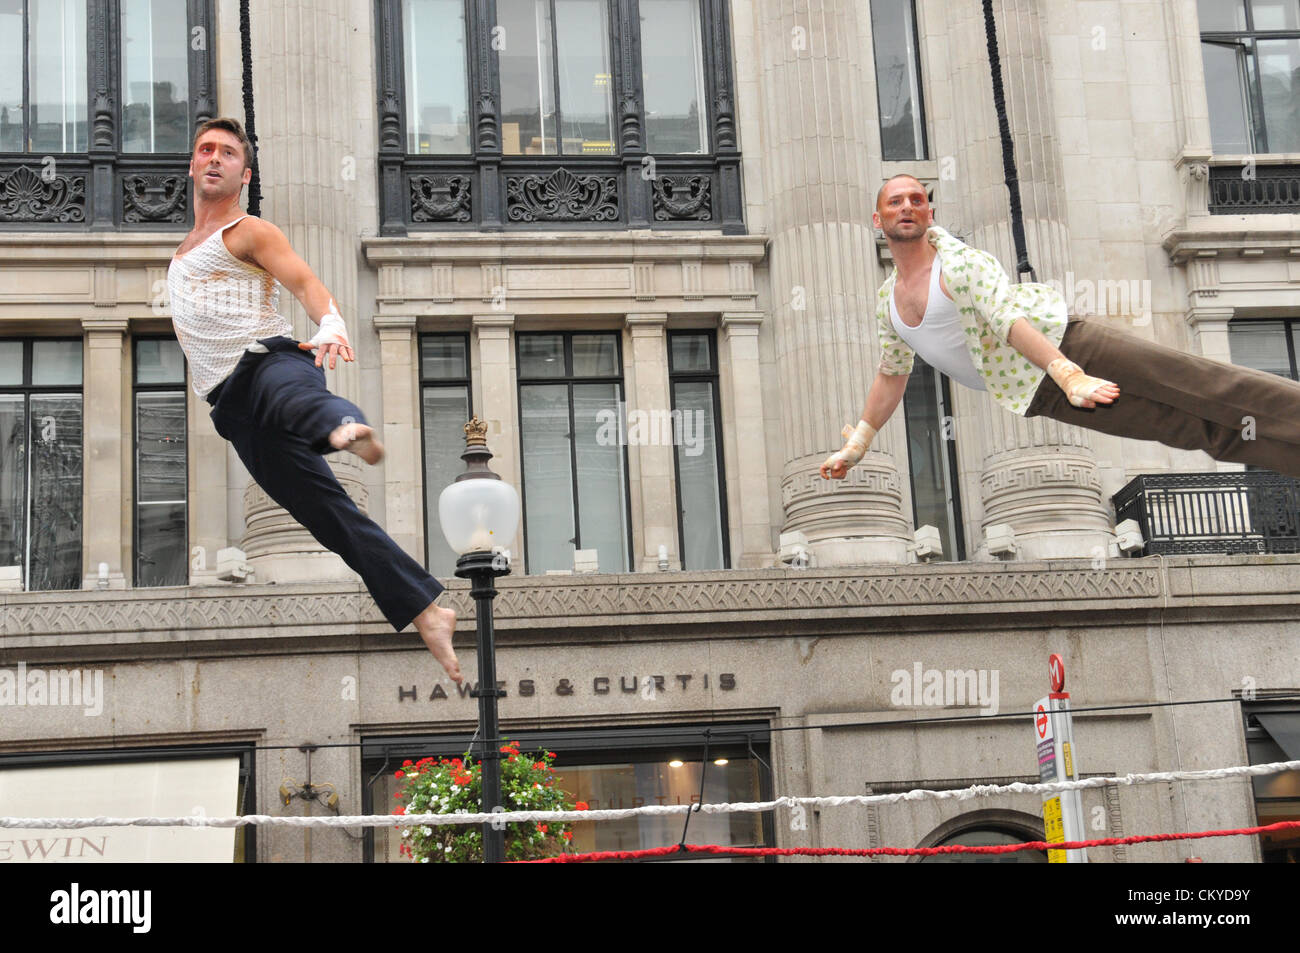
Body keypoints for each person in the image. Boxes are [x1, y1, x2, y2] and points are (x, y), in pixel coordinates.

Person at [167, 117, 463, 683]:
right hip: (233, 408)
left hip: (268, 360)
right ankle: (427, 609)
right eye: (204, 149)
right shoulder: (182, 252)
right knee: (328, 516)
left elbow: (304, 282)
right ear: (192, 164)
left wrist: (329, 322)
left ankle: (346, 429)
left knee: (297, 398)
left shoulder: (250, 231)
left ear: (243, 174)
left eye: (226, 153)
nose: (213, 158)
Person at [821, 174, 1300, 482]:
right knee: (1194, 430)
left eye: (916, 199)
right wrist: (859, 443)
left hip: (1070, 348)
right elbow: (891, 373)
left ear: (929, 213)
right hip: (1042, 394)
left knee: (1204, 387)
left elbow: (1006, 319)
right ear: (878, 218)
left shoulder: (961, 264)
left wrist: (1070, 373)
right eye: (895, 201)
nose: (906, 206)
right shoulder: (887, 301)